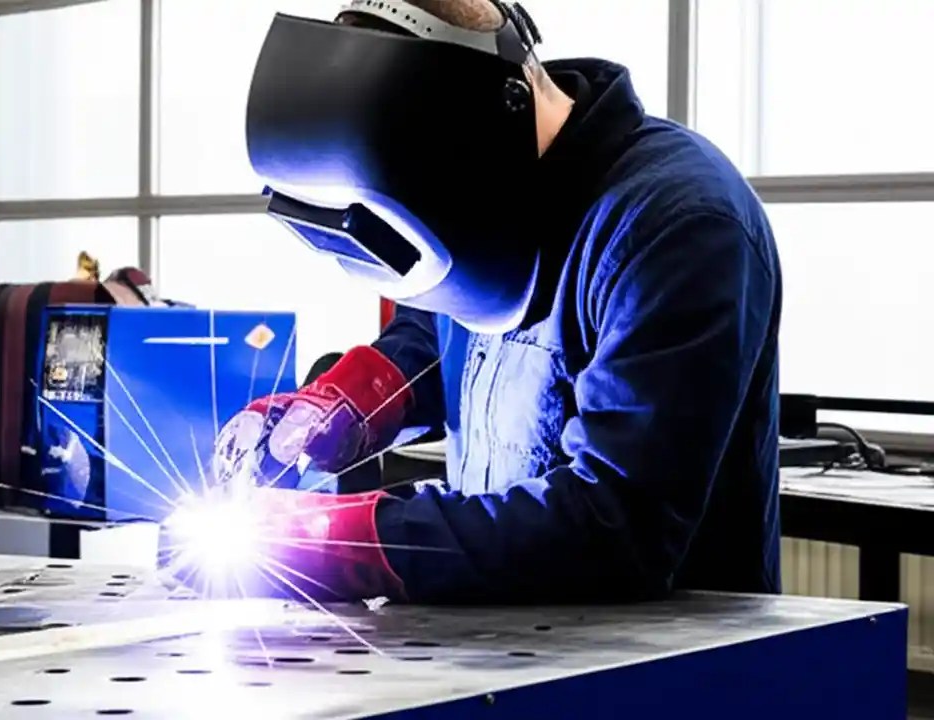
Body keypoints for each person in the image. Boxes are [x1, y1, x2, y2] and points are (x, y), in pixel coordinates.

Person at [181, 0, 784, 605]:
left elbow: (617, 524)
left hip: (664, 671)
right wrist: (346, 400)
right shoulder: (479, 200)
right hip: (500, 642)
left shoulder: (678, 226)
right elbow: (437, 337)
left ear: (487, 117)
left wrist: (359, 540)